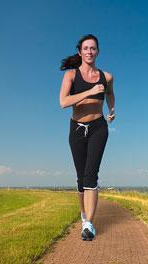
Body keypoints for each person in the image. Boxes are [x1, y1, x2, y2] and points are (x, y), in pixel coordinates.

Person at [59, 34, 115, 241]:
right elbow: (63, 102)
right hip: (76, 128)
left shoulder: (107, 77)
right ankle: (84, 216)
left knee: (91, 175)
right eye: (86, 48)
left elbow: (110, 94)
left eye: (93, 48)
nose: (89, 52)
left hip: (99, 127)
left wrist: (112, 109)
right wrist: (90, 91)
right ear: (80, 51)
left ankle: (89, 224)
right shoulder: (71, 76)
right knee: (81, 178)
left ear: (97, 51)